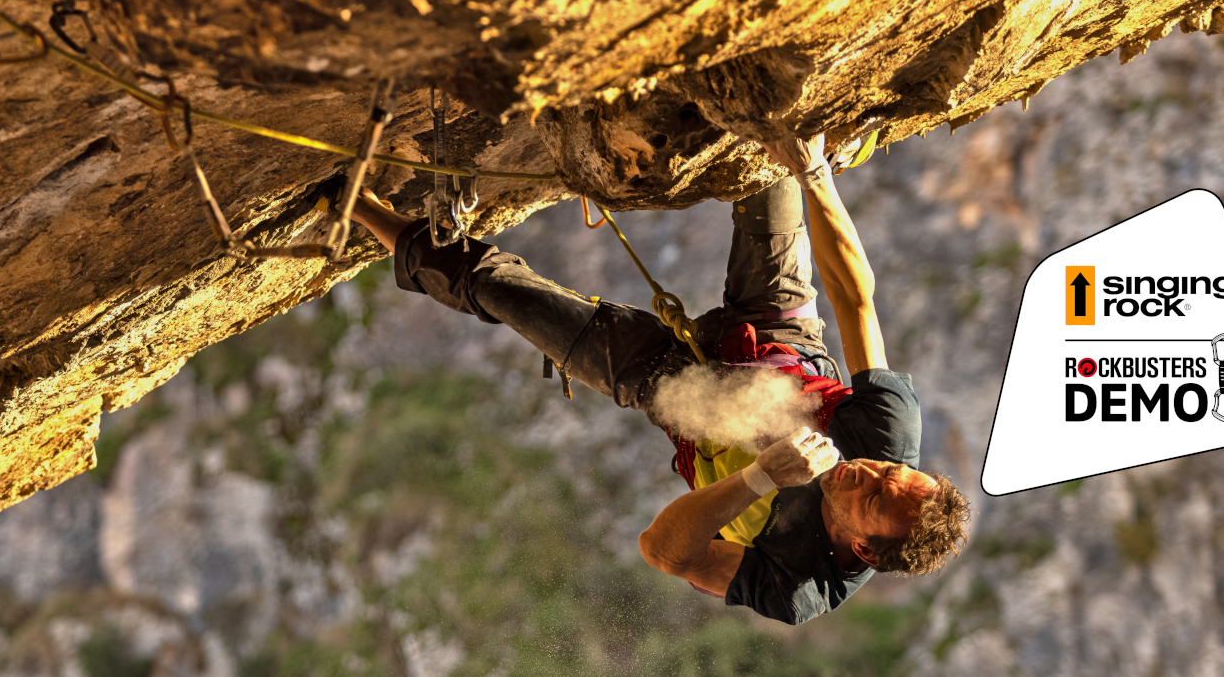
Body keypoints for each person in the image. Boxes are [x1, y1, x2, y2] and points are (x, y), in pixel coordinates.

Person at [346, 134, 971, 625]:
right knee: (769, 160)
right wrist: (814, 172)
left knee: (502, 292)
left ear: (861, 547)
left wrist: (761, 478)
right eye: (890, 472)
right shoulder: (891, 435)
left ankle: (355, 206)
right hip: (778, 336)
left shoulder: (801, 584)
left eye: (869, 498)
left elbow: (664, 551)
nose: (869, 473)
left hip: (680, 399)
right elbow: (855, 301)